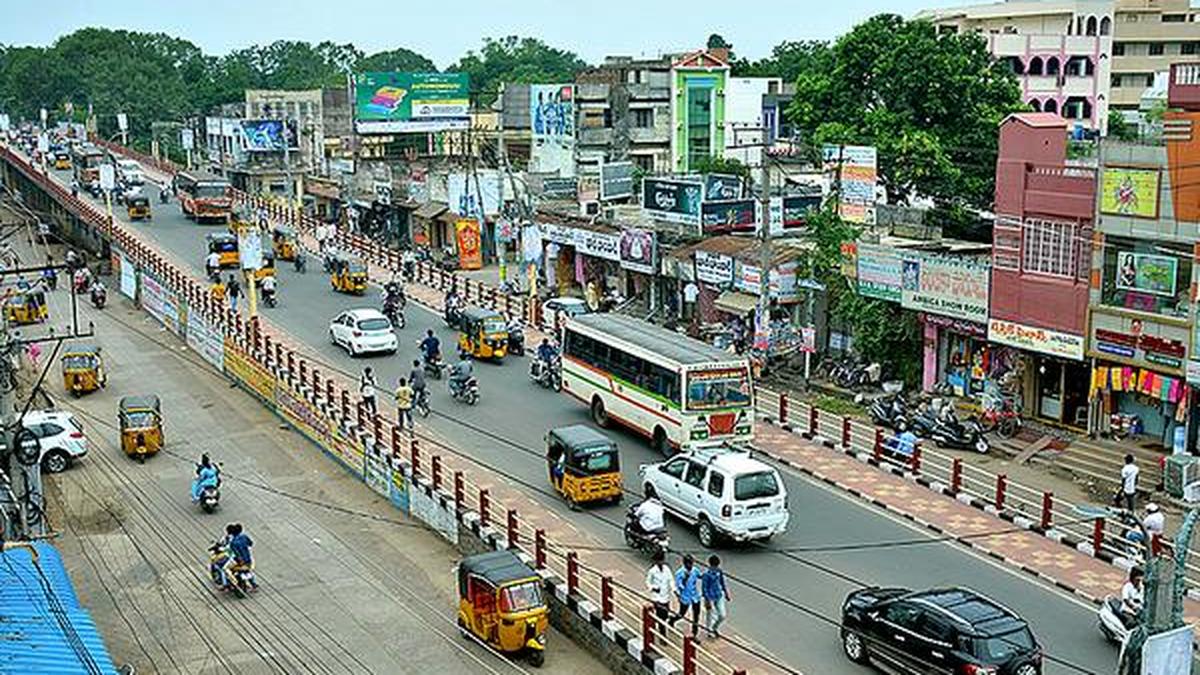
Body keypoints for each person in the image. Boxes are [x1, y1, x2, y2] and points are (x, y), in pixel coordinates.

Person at [669, 554, 702, 638]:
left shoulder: (695, 570)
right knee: (682, 614)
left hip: (695, 596)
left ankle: (694, 633)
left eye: (691, 563)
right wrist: (685, 578)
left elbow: (700, 576)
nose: (690, 565)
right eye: (689, 564)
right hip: (685, 597)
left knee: (696, 615)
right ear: (685, 564)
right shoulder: (679, 573)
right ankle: (672, 620)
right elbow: (680, 586)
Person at [702, 555, 730, 639]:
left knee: (722, 615)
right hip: (709, 597)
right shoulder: (706, 575)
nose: (715, 568)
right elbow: (704, 588)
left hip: (718, 595)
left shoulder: (719, 571)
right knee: (709, 615)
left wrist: (726, 593)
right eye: (714, 566)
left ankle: (714, 627)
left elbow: (722, 582)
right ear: (710, 565)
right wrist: (707, 600)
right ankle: (709, 631)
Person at [645, 551, 673, 637]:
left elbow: (671, 580)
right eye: (659, 561)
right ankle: (662, 635)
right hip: (657, 597)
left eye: (662, 560)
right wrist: (653, 588)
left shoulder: (667, 569)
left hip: (666, 596)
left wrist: (674, 590)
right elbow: (648, 582)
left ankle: (655, 623)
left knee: (665, 615)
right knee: (661, 617)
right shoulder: (652, 571)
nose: (661, 562)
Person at [227, 523, 257, 589]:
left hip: (240, 561)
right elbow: (250, 543)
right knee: (248, 569)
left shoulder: (233, 543)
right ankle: (253, 583)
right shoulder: (244, 536)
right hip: (248, 559)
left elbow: (235, 553)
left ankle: (230, 583)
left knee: (229, 568)